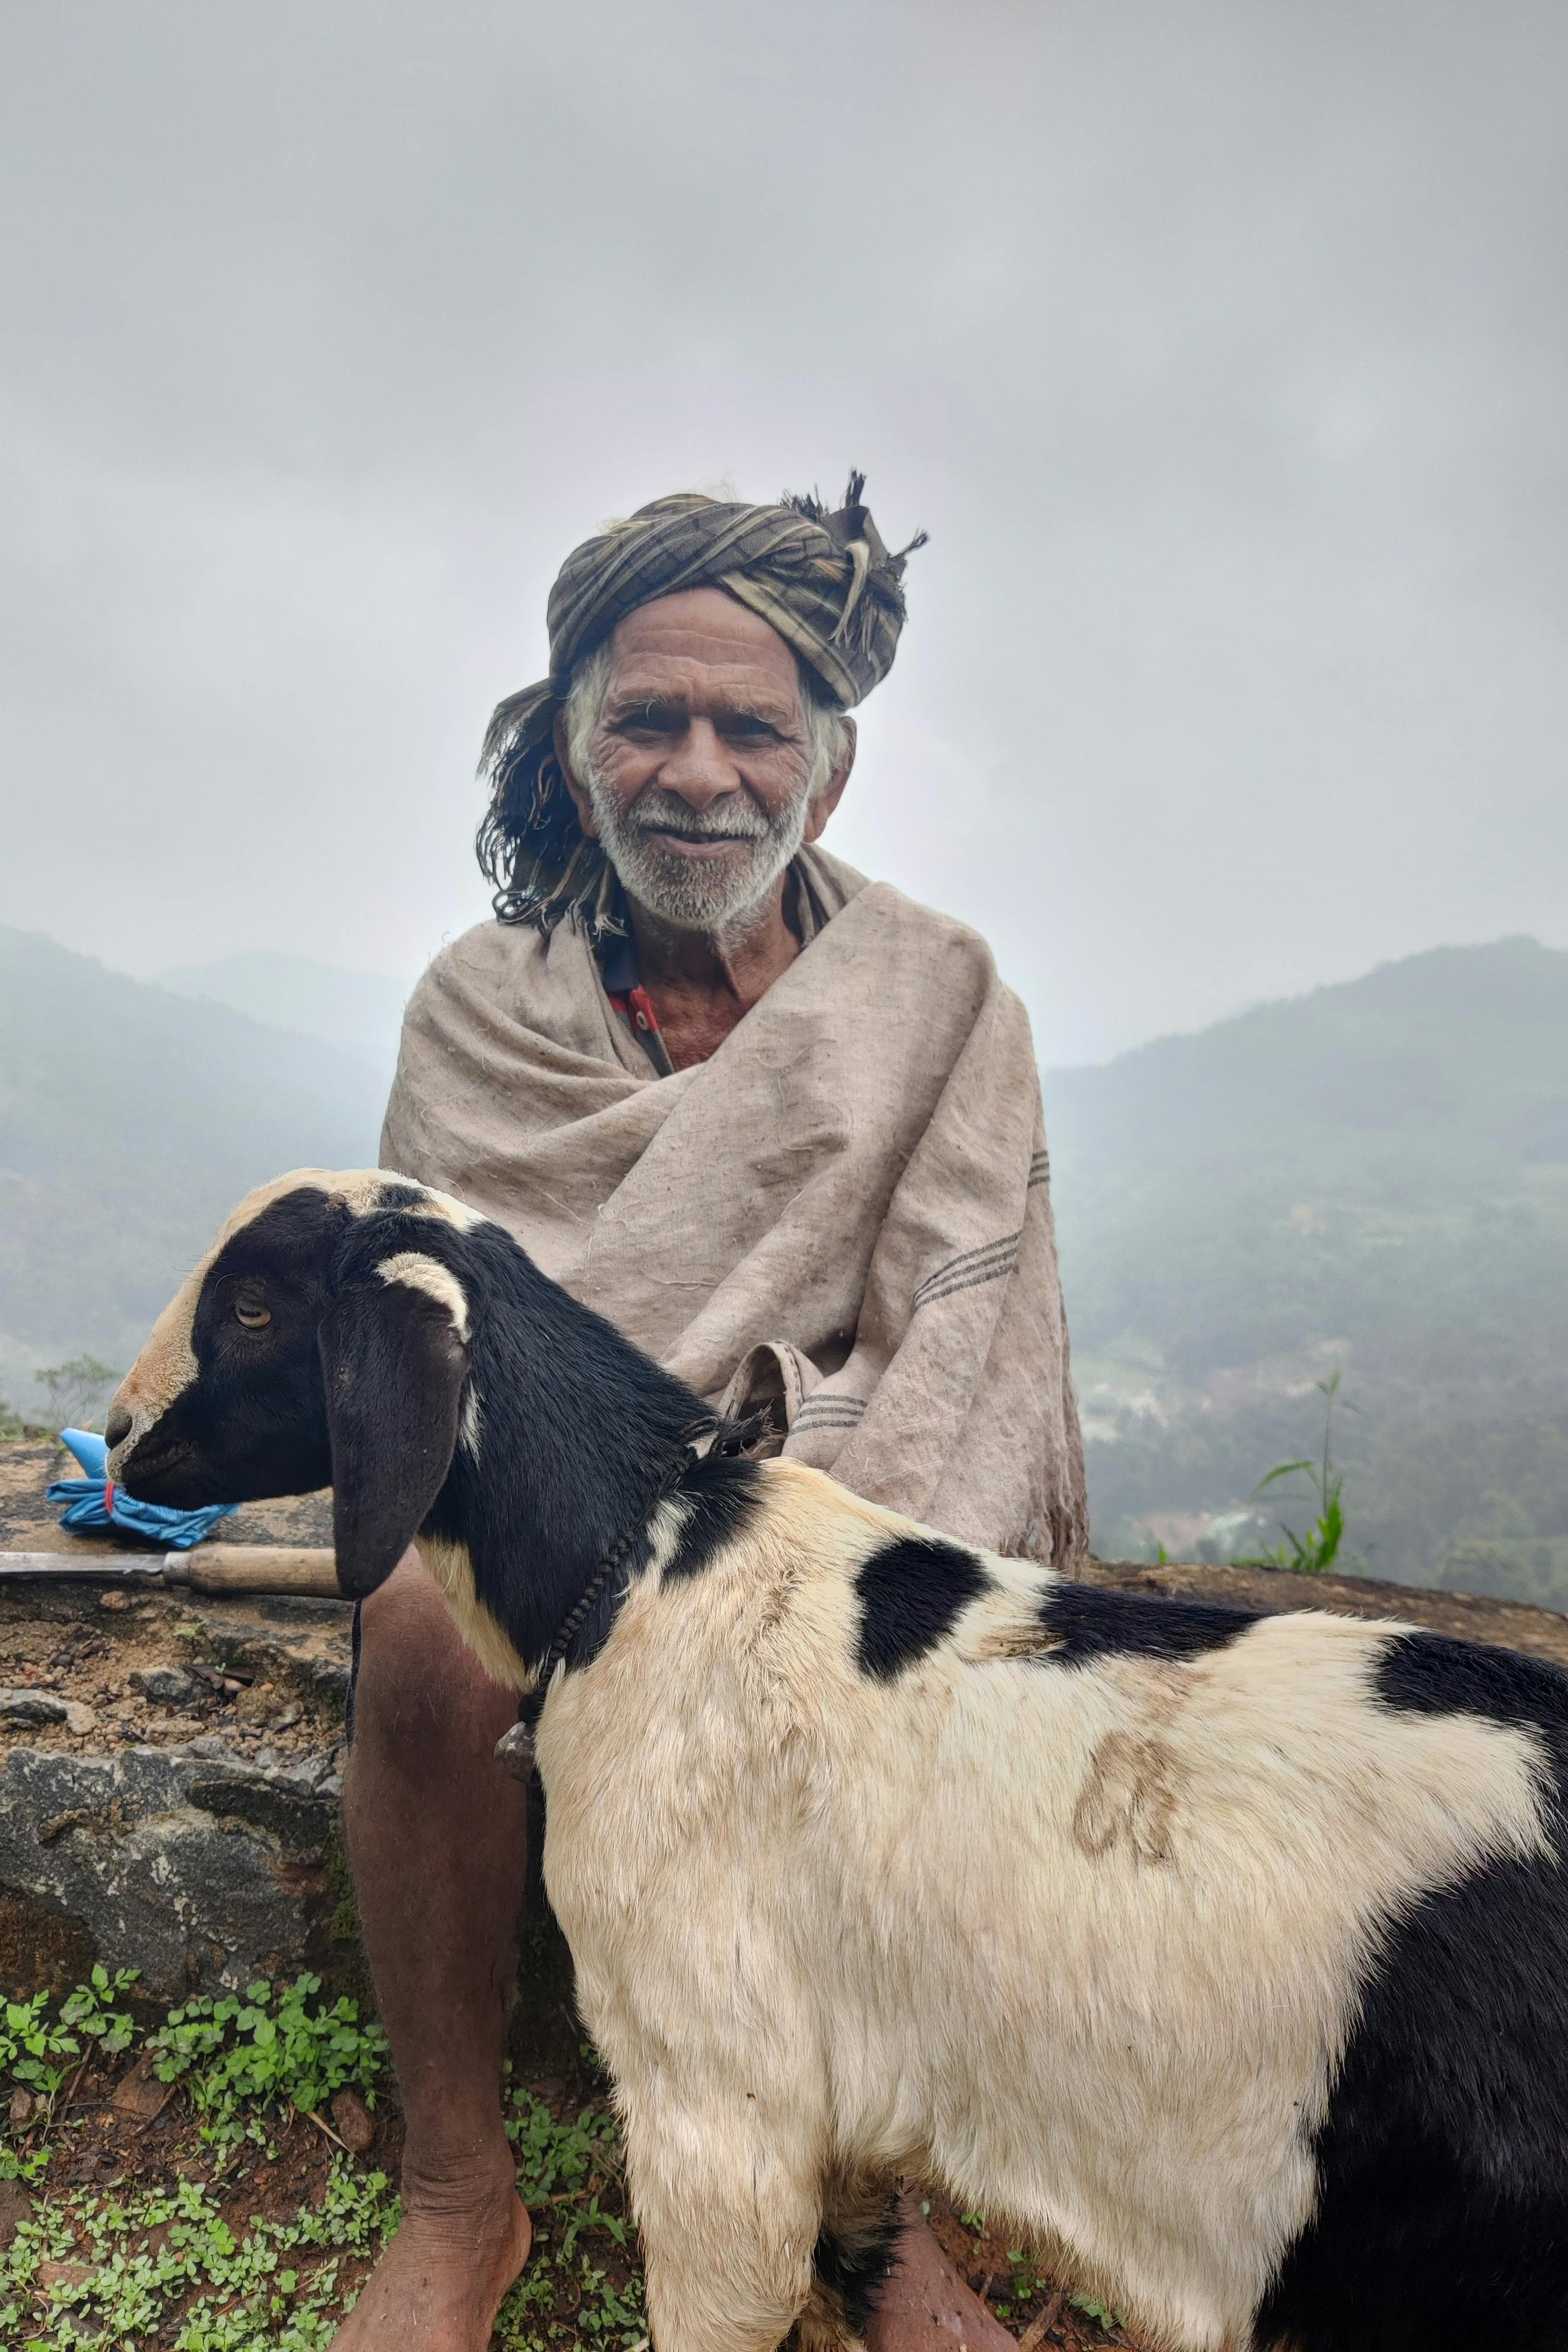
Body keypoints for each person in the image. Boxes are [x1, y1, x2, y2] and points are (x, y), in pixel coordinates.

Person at [335, 477, 1088, 2352]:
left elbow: (963, 1343)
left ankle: (873, 2219)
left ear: (824, 775)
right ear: (579, 753)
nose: (698, 771)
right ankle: (459, 2186)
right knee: (422, 1643)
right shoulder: (478, 1010)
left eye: (752, 727)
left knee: (914, 1655)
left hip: (846, 1474)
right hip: (555, 1501)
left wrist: (810, 1516)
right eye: (646, 720)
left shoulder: (937, 991)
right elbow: (453, 1351)